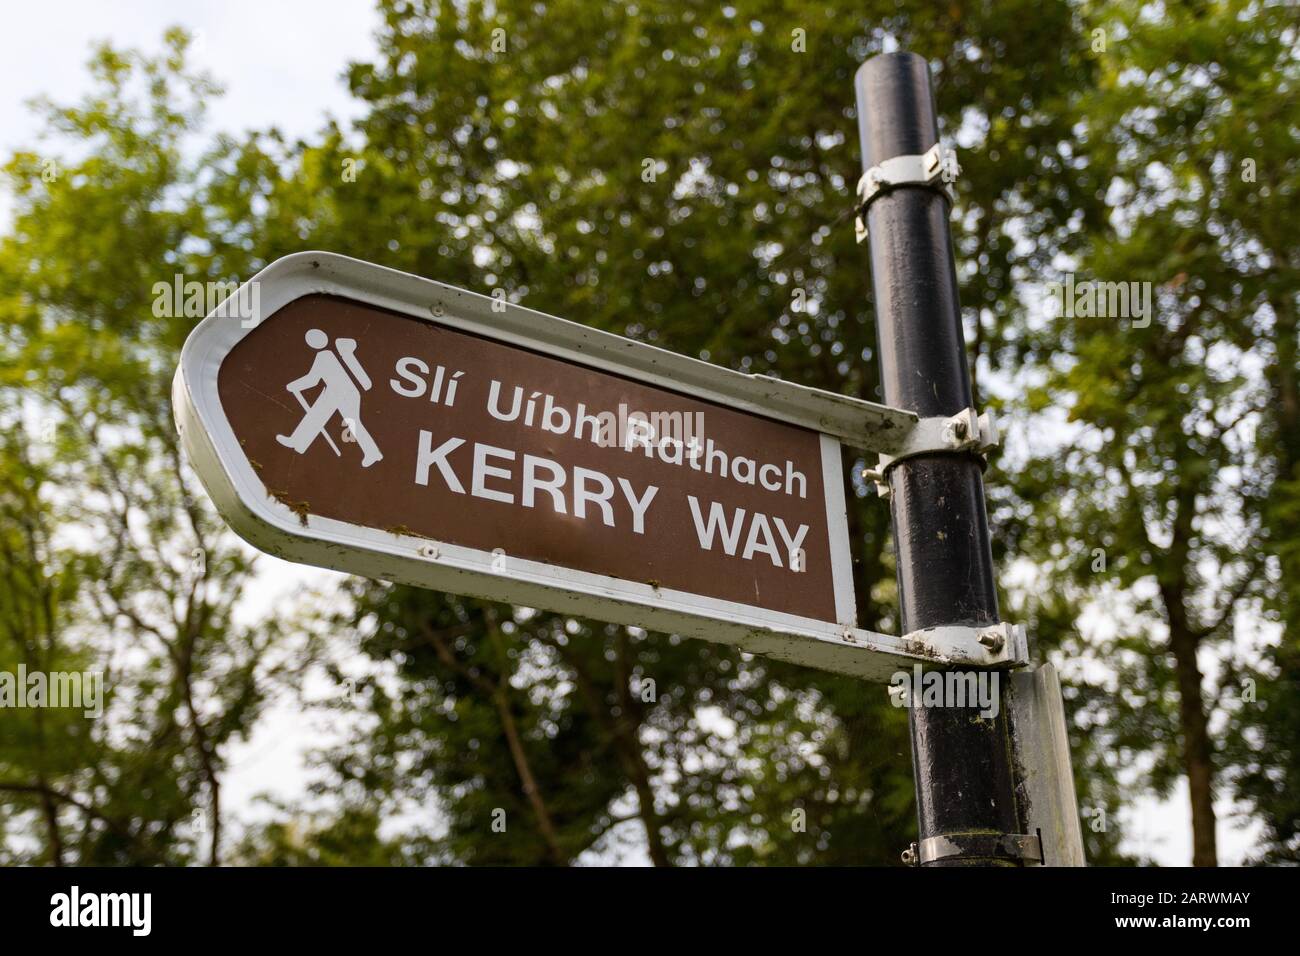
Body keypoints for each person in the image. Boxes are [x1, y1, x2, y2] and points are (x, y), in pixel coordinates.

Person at [276, 328, 383, 467]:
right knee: (323, 416)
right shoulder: (333, 353)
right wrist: (296, 385)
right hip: (339, 392)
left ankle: (372, 452)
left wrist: (294, 385)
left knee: (333, 418)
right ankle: (297, 442)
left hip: (342, 392)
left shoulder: (325, 355)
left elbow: (313, 380)